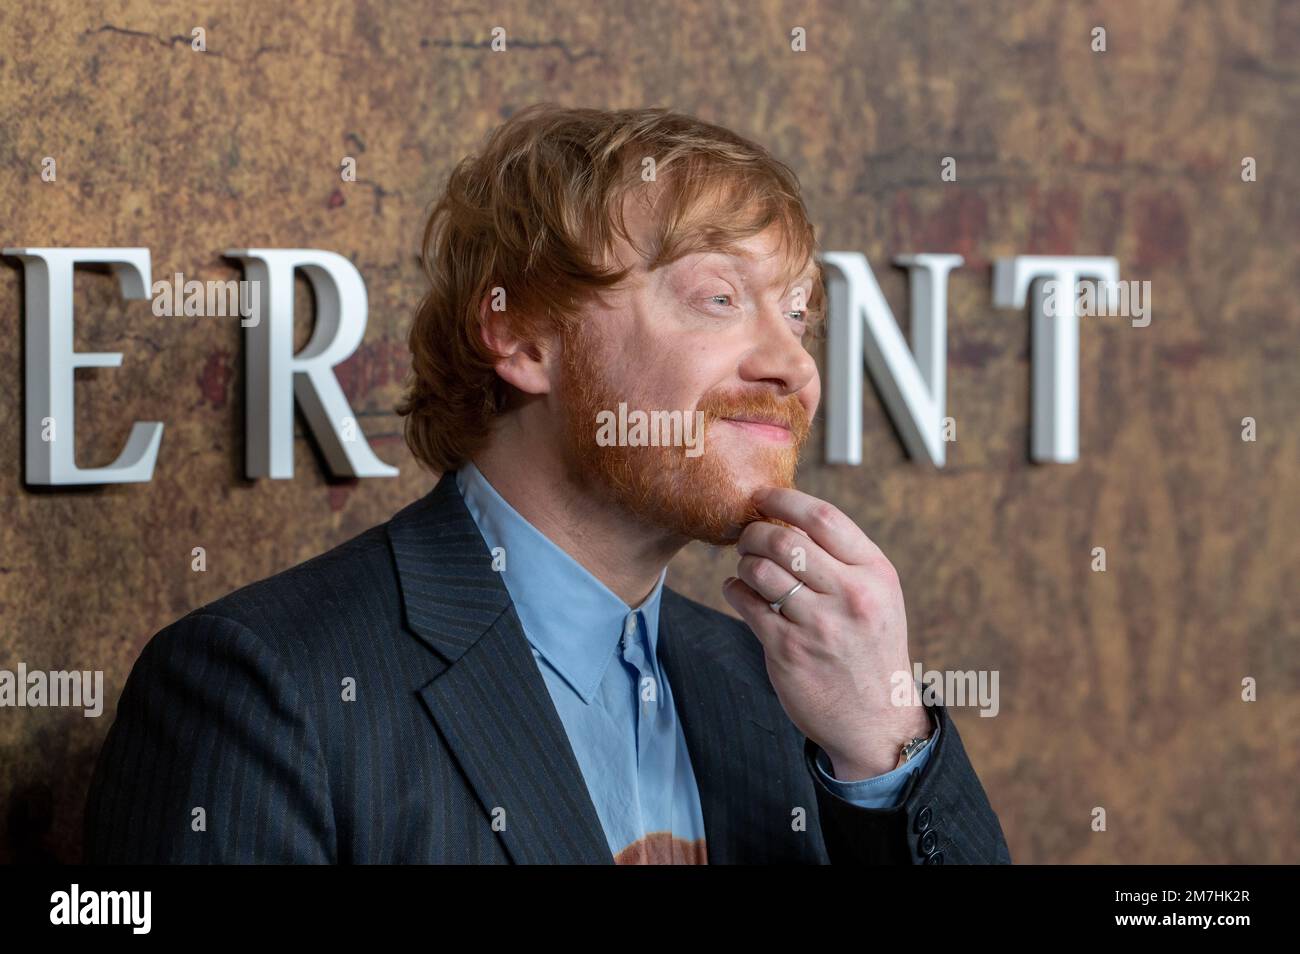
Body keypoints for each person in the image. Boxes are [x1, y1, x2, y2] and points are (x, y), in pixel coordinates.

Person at [84, 104, 1010, 864]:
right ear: (522, 335)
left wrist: (884, 748)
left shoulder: (780, 691)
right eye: (719, 298)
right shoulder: (266, 688)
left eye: (799, 313)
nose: (791, 366)